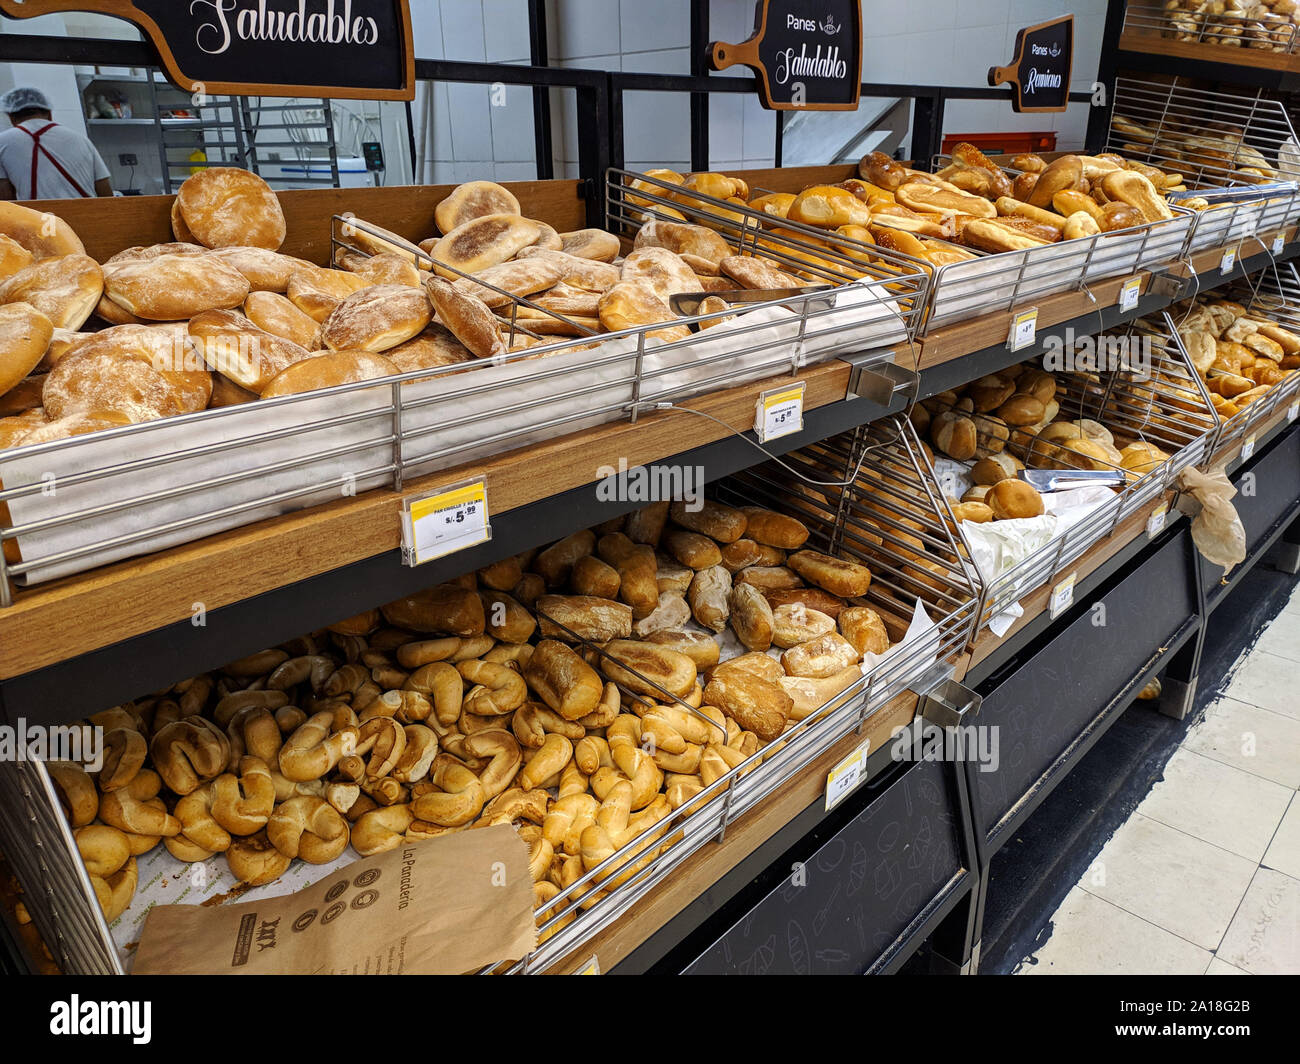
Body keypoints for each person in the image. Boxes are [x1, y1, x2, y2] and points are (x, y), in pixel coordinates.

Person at [0, 87, 113, 201]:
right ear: (49, 114)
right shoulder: (80, 139)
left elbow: (6, 197)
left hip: (41, 217)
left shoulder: (3, 141)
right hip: (87, 216)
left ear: (11, 117)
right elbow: (104, 189)